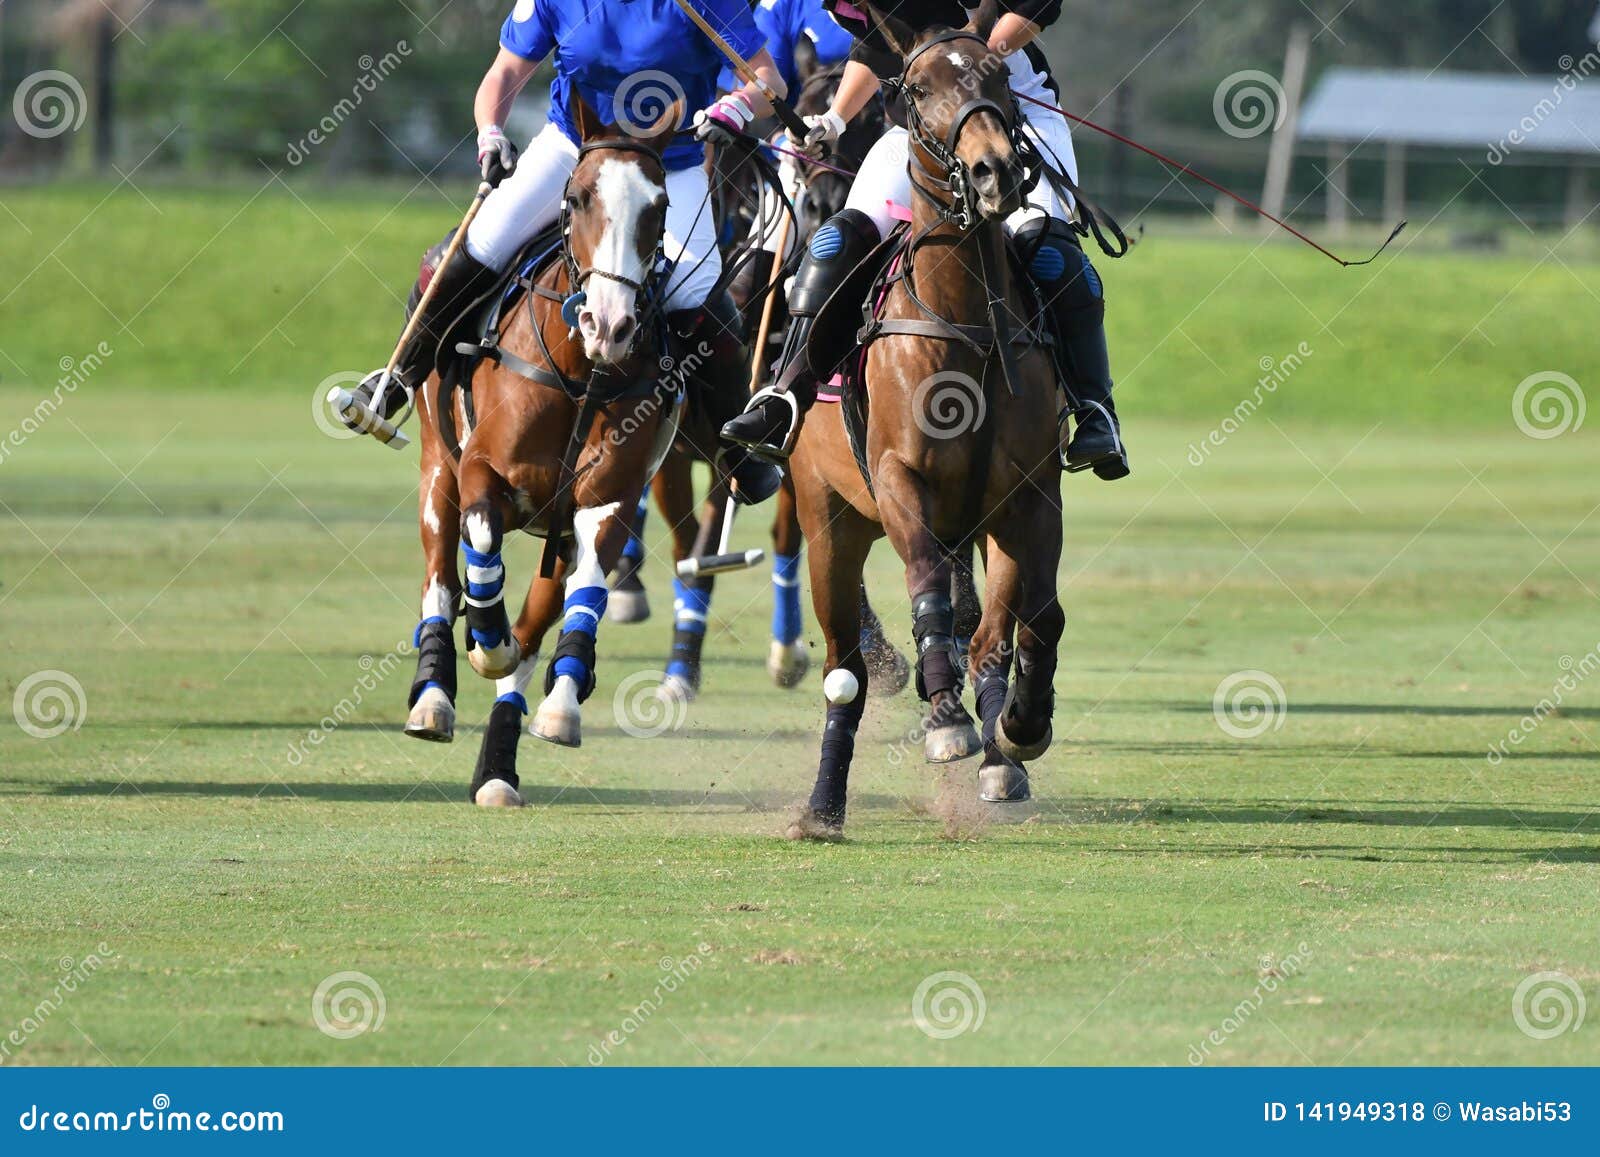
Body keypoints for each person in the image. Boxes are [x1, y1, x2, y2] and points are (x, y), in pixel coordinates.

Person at [350, 0, 790, 498]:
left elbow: (769, 82)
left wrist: (736, 105)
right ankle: (399, 376)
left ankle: (736, 447)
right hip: (572, 150)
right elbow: (505, 73)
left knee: (698, 292)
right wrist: (491, 132)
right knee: (474, 247)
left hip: (671, 161)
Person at [720, 0, 1131, 483]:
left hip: (1014, 106)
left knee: (1049, 249)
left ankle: (1094, 410)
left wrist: (977, 59)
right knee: (839, 239)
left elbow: (1037, 5)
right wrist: (835, 119)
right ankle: (786, 394)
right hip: (922, 119)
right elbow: (874, 50)